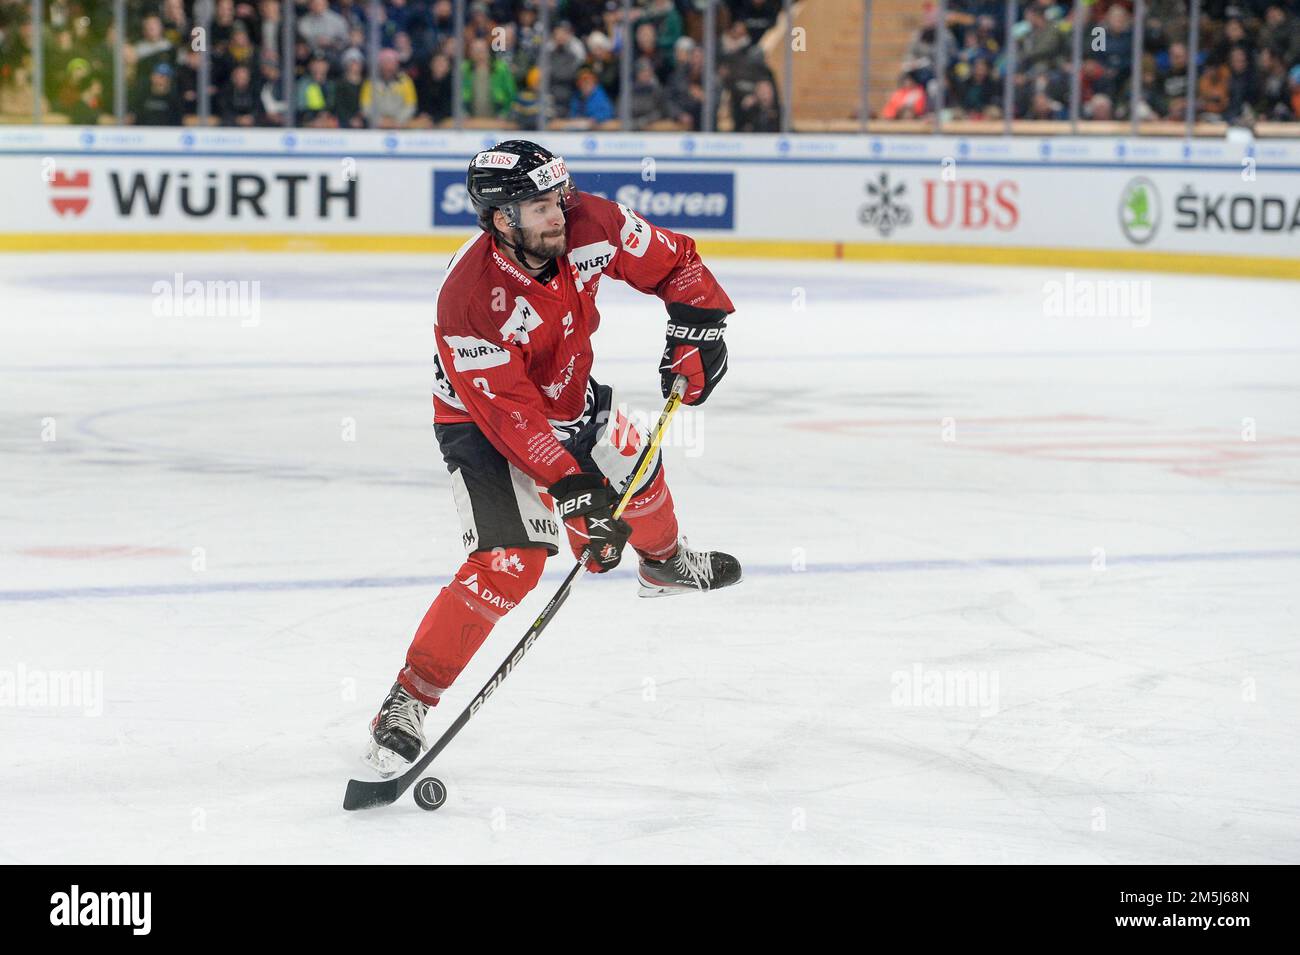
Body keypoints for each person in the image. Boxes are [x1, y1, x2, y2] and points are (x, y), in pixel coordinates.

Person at [364, 141, 743, 775]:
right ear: (500, 219)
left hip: (570, 398)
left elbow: (676, 262)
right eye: (539, 207)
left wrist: (697, 326)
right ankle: (409, 699)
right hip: (482, 423)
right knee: (510, 565)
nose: (558, 215)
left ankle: (664, 564)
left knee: (640, 484)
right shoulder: (468, 298)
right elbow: (511, 414)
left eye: (558, 198)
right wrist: (572, 492)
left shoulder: (592, 222)